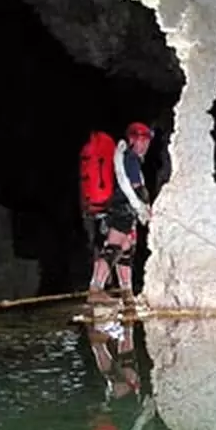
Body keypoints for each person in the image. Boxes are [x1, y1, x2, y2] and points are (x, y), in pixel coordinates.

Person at [87, 122, 154, 306]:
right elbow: (136, 188)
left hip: (124, 210)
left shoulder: (126, 156)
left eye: (146, 141)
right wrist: (146, 206)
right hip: (121, 210)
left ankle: (127, 292)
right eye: (140, 140)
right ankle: (96, 289)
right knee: (114, 247)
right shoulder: (130, 158)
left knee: (126, 249)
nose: (144, 145)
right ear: (132, 140)